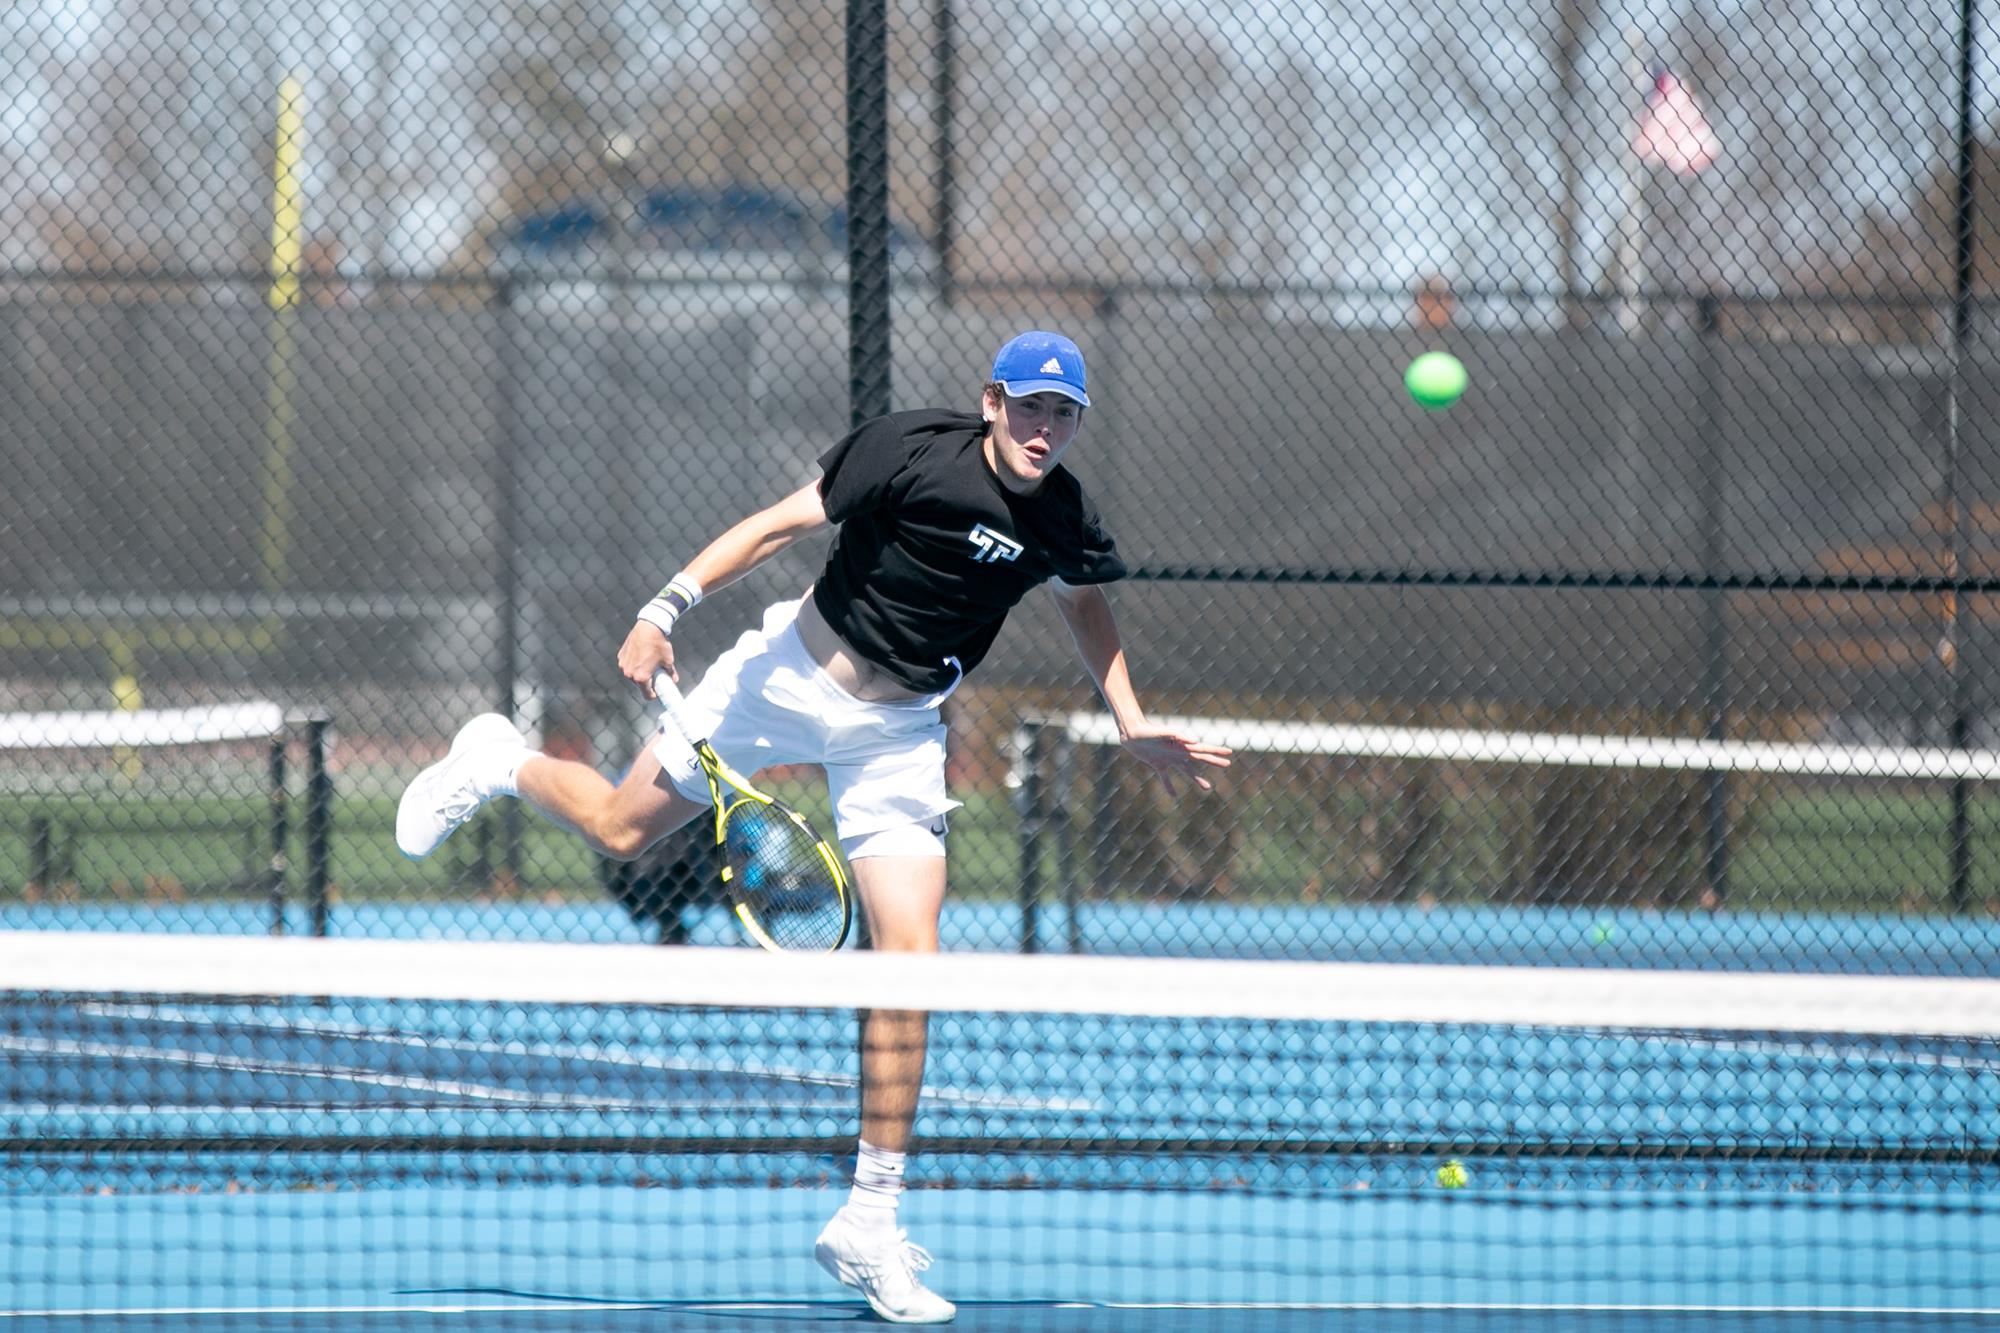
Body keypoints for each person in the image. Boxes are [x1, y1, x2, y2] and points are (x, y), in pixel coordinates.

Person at [395, 329, 1232, 1323]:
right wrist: (665, 607)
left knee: (909, 967)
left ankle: (868, 1225)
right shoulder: (913, 449)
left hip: (900, 731)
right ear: (991, 401)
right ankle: (499, 761)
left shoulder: (1063, 515)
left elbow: (1085, 608)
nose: (1043, 427)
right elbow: (772, 527)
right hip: (781, 678)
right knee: (621, 828)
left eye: (1063, 412)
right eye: (1028, 405)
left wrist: (1130, 720)